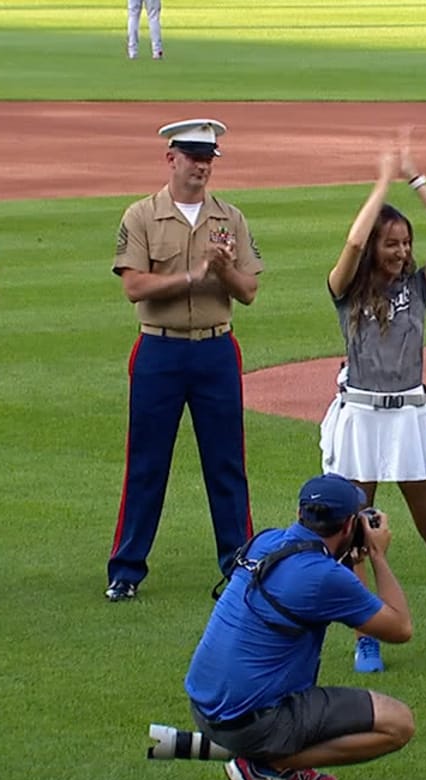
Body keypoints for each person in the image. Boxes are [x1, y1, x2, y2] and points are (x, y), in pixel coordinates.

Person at [320, 137, 426, 671]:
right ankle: (365, 632)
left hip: (410, 417)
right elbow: (350, 245)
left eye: (404, 243)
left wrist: (416, 180)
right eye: (389, 243)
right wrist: (380, 186)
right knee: (354, 531)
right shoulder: (346, 288)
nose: (400, 252)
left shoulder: (419, 286)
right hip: (361, 417)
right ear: (373, 245)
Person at [184, 473, 416, 780]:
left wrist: (350, 553)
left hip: (207, 707)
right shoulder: (324, 577)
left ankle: (276, 759)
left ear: (299, 513)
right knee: (398, 723)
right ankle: (268, 765)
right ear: (350, 522)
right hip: (251, 722)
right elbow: (400, 628)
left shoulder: (267, 541)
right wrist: (378, 555)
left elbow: (306, 579)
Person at [106, 118, 262, 601]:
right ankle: (126, 569)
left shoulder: (230, 217)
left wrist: (223, 270)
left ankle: (238, 564)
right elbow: (134, 285)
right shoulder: (141, 216)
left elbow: (249, 291)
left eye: (208, 158)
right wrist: (193, 277)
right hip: (160, 348)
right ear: (170, 158)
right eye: (193, 157)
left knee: (226, 463)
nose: (201, 167)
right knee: (147, 464)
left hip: (216, 347)